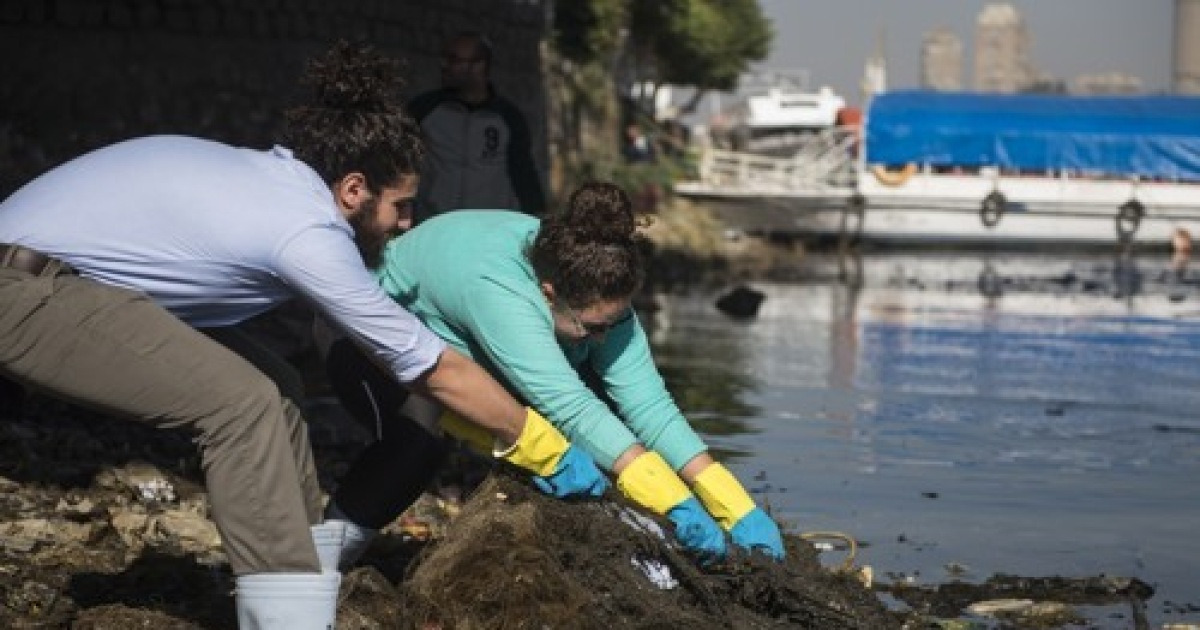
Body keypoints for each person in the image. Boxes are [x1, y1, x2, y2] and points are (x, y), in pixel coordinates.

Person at [0, 43, 606, 630]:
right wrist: (540, 445)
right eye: (402, 206)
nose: (408, 222)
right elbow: (431, 369)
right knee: (241, 404)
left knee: (274, 382)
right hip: (24, 289)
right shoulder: (308, 233)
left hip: (67, 279)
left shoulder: (283, 183)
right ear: (352, 190)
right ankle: (285, 616)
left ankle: (302, 562)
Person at [324, 182, 785, 562]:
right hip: (368, 351)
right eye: (593, 328)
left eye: (615, 323)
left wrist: (732, 503)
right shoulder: (499, 290)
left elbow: (650, 407)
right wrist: (676, 503)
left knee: (595, 436)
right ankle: (325, 557)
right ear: (547, 294)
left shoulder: (593, 278)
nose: (603, 338)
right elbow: (571, 410)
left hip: (468, 358)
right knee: (420, 441)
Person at [407, 31, 545, 221]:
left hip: (490, 228)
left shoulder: (508, 117)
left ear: (479, 66)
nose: (444, 66)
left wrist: (537, 216)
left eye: (454, 60)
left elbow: (523, 173)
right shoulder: (423, 110)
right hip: (434, 222)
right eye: (445, 59)